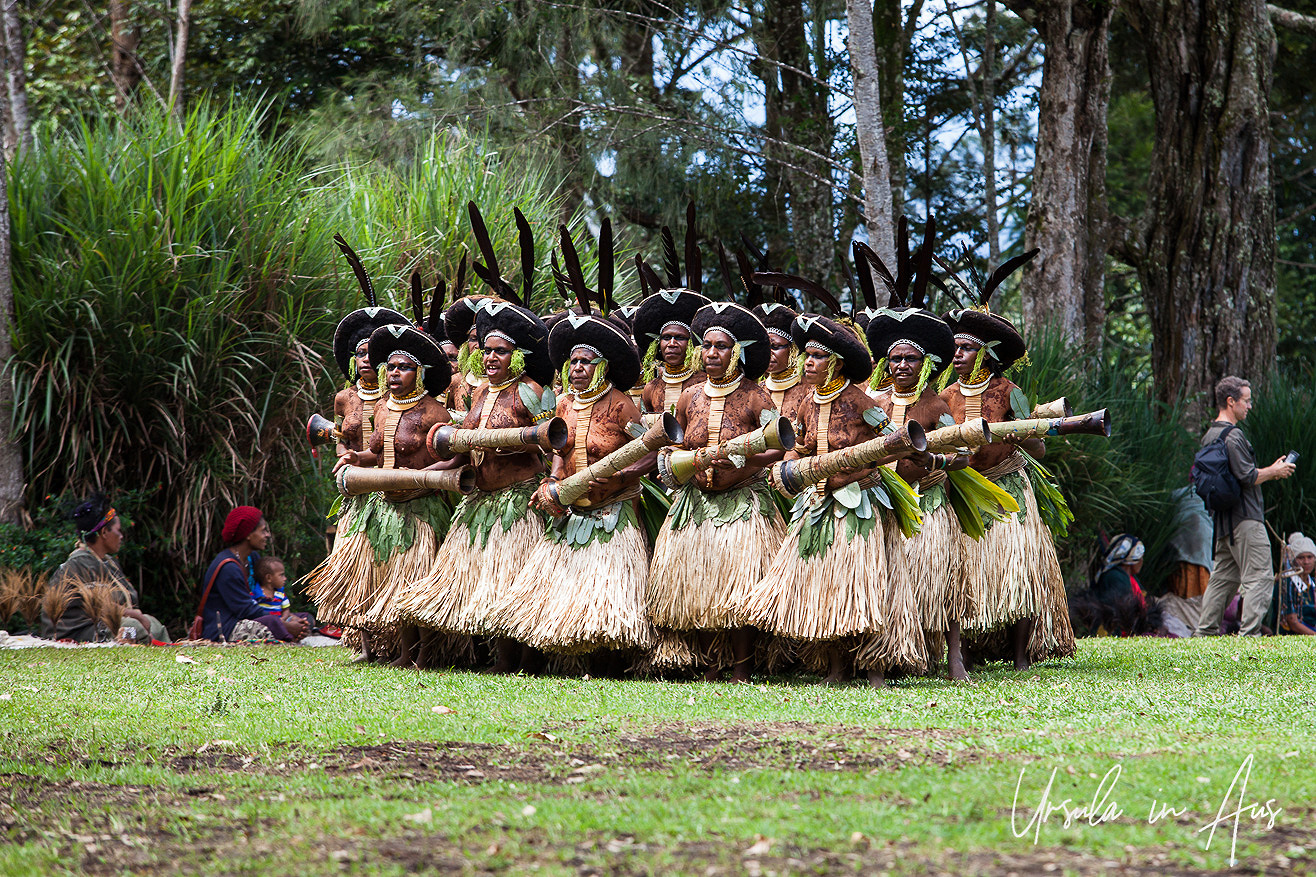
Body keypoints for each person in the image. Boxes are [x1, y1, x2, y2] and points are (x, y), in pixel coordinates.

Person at [741, 311, 926, 688]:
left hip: (861, 502)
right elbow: (799, 443)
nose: (808, 362)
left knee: (866, 584)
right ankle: (835, 668)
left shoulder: (860, 400)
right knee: (826, 585)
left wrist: (861, 464)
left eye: (818, 356)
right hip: (819, 501)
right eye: (806, 355)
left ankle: (875, 670)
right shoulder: (806, 401)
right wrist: (790, 466)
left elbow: (893, 441)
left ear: (837, 362)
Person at [486, 307, 656, 658]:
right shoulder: (563, 403)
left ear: (603, 367)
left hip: (614, 507)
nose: (577, 368)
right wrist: (552, 478)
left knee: (606, 592)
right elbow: (560, 448)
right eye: (573, 361)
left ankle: (608, 658)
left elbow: (650, 451)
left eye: (586, 362)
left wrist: (620, 476)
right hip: (570, 504)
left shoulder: (622, 406)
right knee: (554, 590)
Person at [396, 300, 554, 672]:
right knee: (489, 581)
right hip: (482, 500)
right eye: (486, 351)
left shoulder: (531, 390)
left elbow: (552, 441)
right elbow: (465, 443)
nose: (490, 358)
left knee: (517, 582)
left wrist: (517, 441)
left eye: (500, 351)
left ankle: (529, 661)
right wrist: (435, 470)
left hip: (519, 502)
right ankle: (500, 660)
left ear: (517, 356)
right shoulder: (480, 393)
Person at [941, 253, 1076, 670]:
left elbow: (1039, 450)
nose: (958, 355)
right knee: (957, 573)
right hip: (963, 490)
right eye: (956, 348)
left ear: (987, 354)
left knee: (1018, 573)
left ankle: (1020, 656)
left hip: (1008, 489)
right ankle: (959, 653)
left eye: (967, 348)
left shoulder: (1008, 391)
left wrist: (1024, 436)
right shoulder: (946, 396)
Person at [648, 301, 786, 682]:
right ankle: (706, 661)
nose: (711, 353)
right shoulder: (689, 397)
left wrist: (744, 461)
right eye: (706, 346)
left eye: (721, 347)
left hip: (743, 501)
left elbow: (779, 446)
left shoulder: (757, 396)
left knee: (739, 585)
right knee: (696, 582)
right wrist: (680, 461)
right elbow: (673, 441)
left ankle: (742, 666)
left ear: (737, 352)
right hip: (694, 503)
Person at [317, 323, 454, 663]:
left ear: (419, 373)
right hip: (385, 504)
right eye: (390, 367)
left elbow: (455, 457)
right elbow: (376, 454)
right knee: (394, 578)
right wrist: (353, 456)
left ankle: (425, 655)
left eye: (404, 367)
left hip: (419, 505)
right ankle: (405, 654)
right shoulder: (382, 407)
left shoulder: (434, 411)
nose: (394, 373)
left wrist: (423, 478)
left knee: (416, 579)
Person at [866, 306, 976, 681]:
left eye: (910, 359)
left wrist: (933, 464)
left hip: (928, 504)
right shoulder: (875, 404)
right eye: (894, 359)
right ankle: (890, 654)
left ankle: (954, 654)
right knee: (888, 582)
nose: (901, 365)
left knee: (942, 582)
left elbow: (960, 457)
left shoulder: (936, 406)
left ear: (925, 363)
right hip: (884, 503)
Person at [1192, 376, 1296, 636]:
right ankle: (1250, 634)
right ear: (1231, 401)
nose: (1249, 406)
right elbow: (1248, 477)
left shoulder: (1209, 435)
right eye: (1246, 401)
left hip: (1223, 522)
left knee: (1223, 579)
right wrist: (1275, 470)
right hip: (1247, 520)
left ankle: (1204, 632)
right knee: (1259, 576)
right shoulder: (1233, 436)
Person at [40, 497, 170, 643]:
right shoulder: (80, 564)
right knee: (133, 628)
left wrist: (140, 617)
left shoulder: (108, 562)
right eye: (118, 531)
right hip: (80, 631)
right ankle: (144, 659)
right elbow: (100, 607)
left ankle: (170, 658)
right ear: (104, 533)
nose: (121, 536)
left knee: (154, 625)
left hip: (104, 625)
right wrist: (136, 615)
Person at [200, 507, 308, 642]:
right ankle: (288, 635)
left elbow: (269, 591)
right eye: (263, 530)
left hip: (255, 617)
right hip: (227, 627)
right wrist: (283, 624)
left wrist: (288, 617)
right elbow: (245, 610)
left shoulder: (252, 559)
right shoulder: (228, 568)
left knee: (304, 618)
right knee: (272, 623)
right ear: (248, 534)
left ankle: (290, 630)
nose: (267, 535)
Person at [632, 288, 711, 417]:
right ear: (658, 343)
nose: (672, 344)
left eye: (679, 338)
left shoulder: (705, 382)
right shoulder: (651, 388)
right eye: (666, 338)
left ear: (692, 344)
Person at [752, 302, 809, 423]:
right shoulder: (756, 390)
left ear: (793, 349)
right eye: (764, 346)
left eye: (775, 346)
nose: (768, 353)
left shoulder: (810, 389)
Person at [1279, 532, 1316, 635]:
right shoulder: (1287, 583)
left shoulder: (1312, 583)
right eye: (1301, 558)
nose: (1306, 562)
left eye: (1310, 557)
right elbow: (1293, 622)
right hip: (1293, 635)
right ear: (1294, 560)